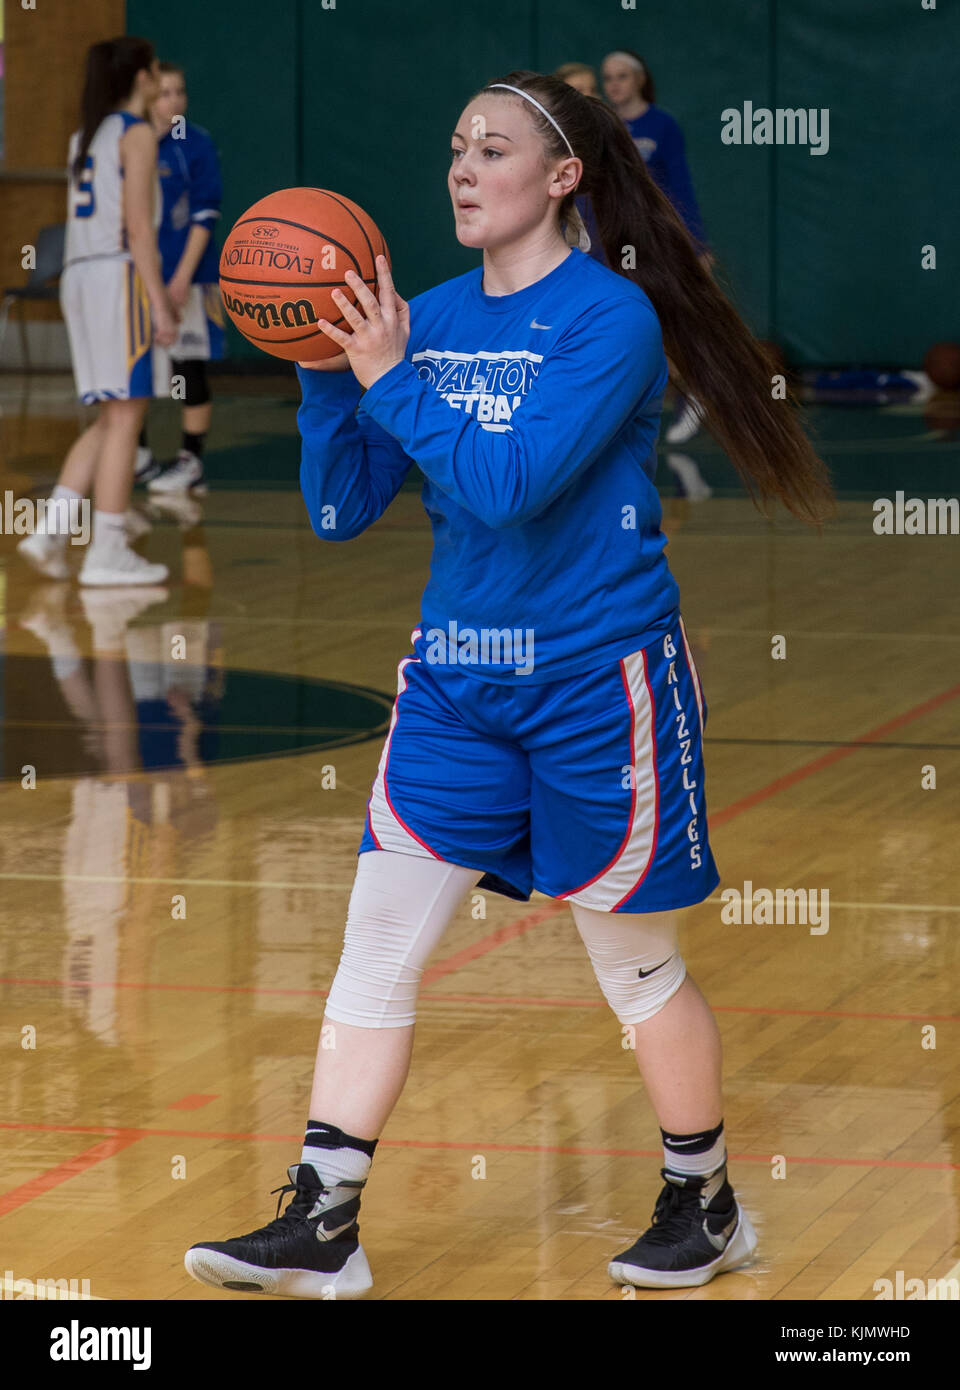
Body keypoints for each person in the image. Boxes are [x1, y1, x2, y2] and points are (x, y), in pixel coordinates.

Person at [184, 68, 834, 1300]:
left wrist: (387, 377)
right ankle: (324, 1221)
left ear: (563, 177)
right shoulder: (418, 317)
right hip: (456, 686)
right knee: (374, 944)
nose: (463, 169)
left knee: (632, 968)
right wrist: (327, 369)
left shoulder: (610, 322)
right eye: (454, 148)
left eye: (492, 149)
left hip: (601, 683)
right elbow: (338, 511)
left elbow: (509, 484)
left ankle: (705, 1199)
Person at [17, 36, 175, 586]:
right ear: (140, 77)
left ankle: (52, 529)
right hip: (117, 276)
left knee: (111, 413)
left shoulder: (85, 134)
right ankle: (107, 548)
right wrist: (161, 305)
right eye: (155, 68)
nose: (159, 76)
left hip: (80, 278)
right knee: (128, 414)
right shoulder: (134, 135)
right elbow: (137, 229)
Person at [602, 49, 710, 443]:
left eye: (622, 76)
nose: (614, 84)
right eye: (608, 77)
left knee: (666, 325)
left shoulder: (662, 125)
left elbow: (681, 187)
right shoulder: (604, 125)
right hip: (613, 240)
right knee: (620, 326)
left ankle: (691, 394)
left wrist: (697, 246)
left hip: (656, 242)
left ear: (639, 80)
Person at [136, 60, 224, 495]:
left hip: (188, 277)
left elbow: (205, 214)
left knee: (187, 366)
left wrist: (179, 279)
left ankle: (191, 462)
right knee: (135, 367)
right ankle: (137, 457)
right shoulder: (132, 142)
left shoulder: (194, 143)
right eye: (165, 92)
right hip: (136, 278)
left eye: (180, 92)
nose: (174, 101)